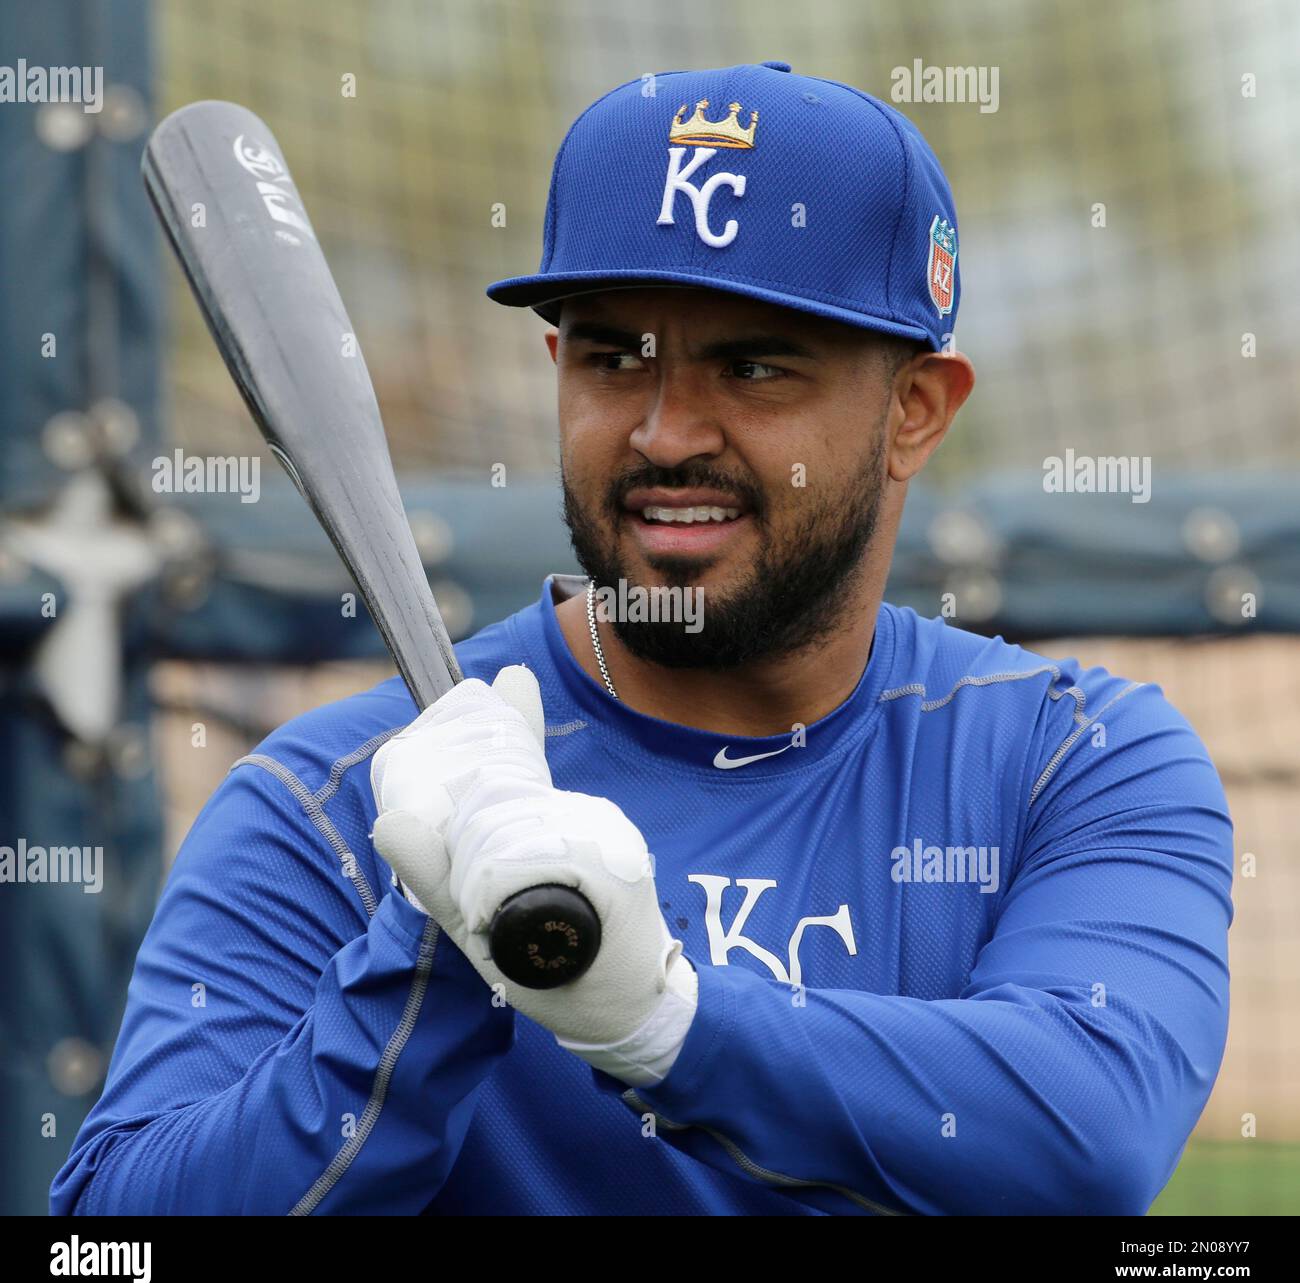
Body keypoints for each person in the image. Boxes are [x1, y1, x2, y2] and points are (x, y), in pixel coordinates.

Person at [52, 61, 1232, 1216]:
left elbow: (1088, 1138)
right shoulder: (341, 801)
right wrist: (424, 953)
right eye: (617, 356)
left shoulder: (1069, 762)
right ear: (557, 366)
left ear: (913, 413)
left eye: (753, 366)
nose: (667, 433)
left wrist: (654, 1018)